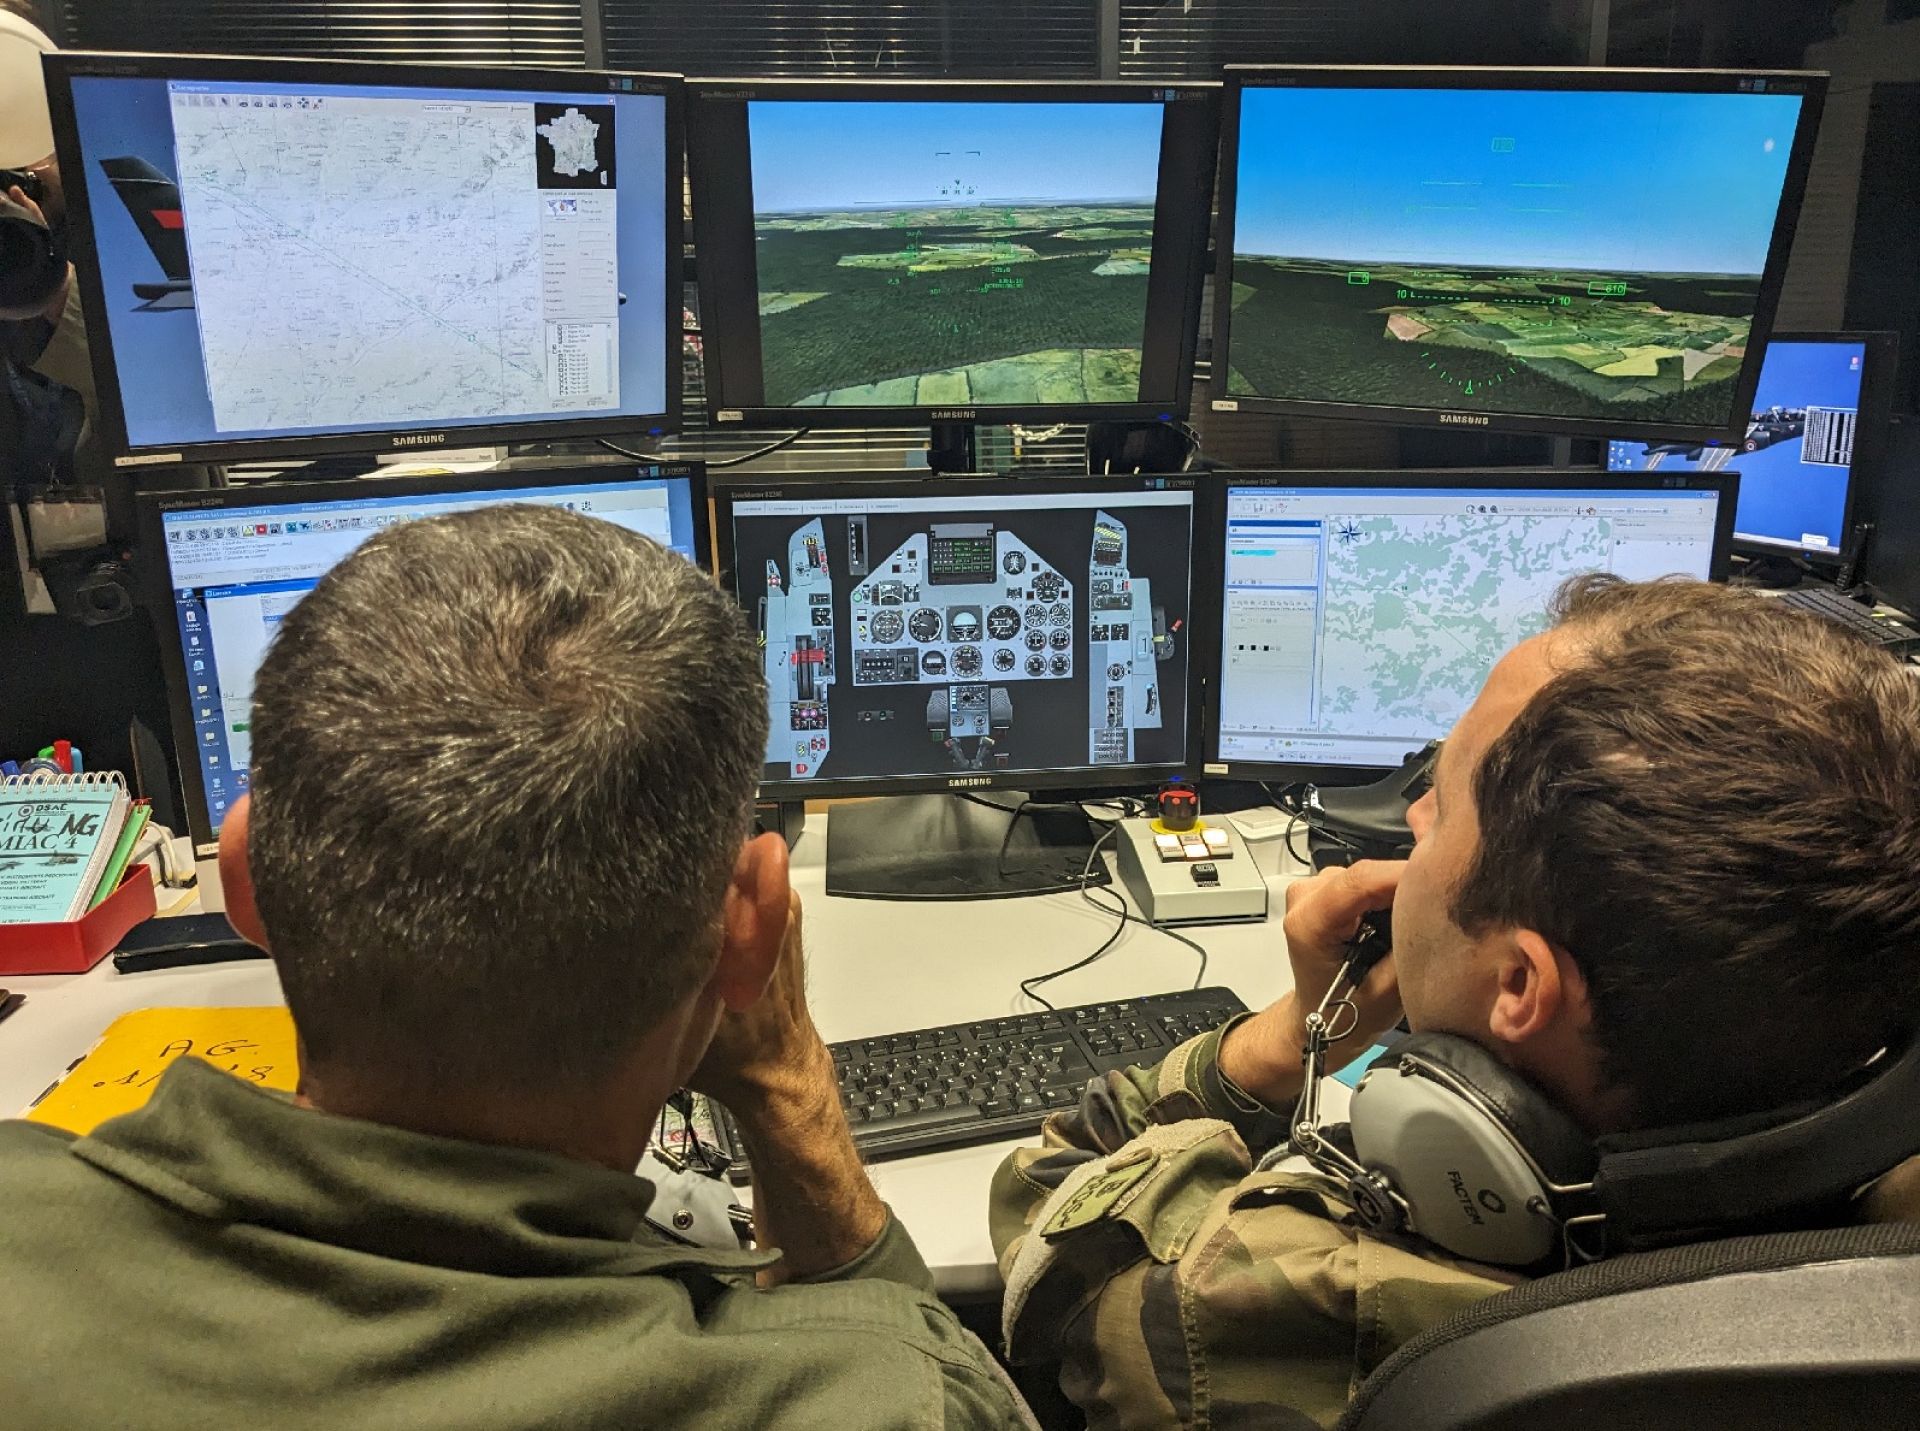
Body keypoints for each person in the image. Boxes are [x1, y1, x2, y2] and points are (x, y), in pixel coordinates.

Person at [0, 506, 1035, 1430]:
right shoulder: (875, 1395)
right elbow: (915, 1347)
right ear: (752, 929)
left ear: (245, 879)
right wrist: (784, 1075)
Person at [990, 574, 1920, 1429]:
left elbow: (1048, 1202)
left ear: (1519, 984)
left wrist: (1282, 1040)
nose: (1413, 820)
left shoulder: (1258, 1293)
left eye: (1443, 798)